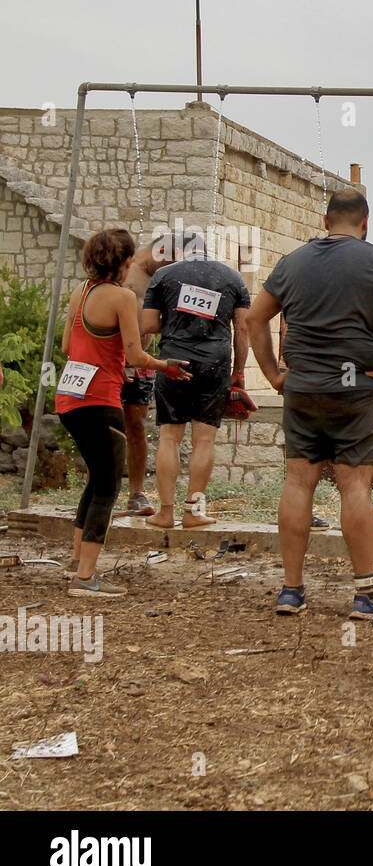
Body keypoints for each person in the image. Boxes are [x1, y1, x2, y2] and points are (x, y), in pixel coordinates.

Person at [246, 189, 373, 619]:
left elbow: (254, 319)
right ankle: (366, 595)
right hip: (357, 388)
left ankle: (291, 591)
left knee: (298, 483)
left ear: (325, 222)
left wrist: (272, 374)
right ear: (365, 223)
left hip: (303, 387)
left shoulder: (292, 261)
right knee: (356, 487)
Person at [56, 229, 190, 597]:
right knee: (107, 487)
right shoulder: (122, 297)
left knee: (95, 480)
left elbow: (68, 344)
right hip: (100, 399)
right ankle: (86, 576)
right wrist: (167, 365)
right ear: (125, 261)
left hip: (69, 399)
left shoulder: (79, 292)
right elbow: (135, 355)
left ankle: (76, 559)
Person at [140, 232, 250, 529]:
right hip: (215, 364)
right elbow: (242, 330)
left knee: (169, 438)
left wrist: (175, 327)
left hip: (173, 362)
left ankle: (165, 513)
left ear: (179, 253)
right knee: (204, 440)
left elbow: (148, 324)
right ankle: (193, 512)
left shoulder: (164, 275)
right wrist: (238, 373)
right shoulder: (233, 278)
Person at [119, 234, 177, 517]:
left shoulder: (161, 277)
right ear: (161, 250)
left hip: (141, 361)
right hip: (112, 357)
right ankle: (100, 485)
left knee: (137, 425)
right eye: (170, 260)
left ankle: (136, 492)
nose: (172, 266)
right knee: (106, 423)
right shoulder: (124, 267)